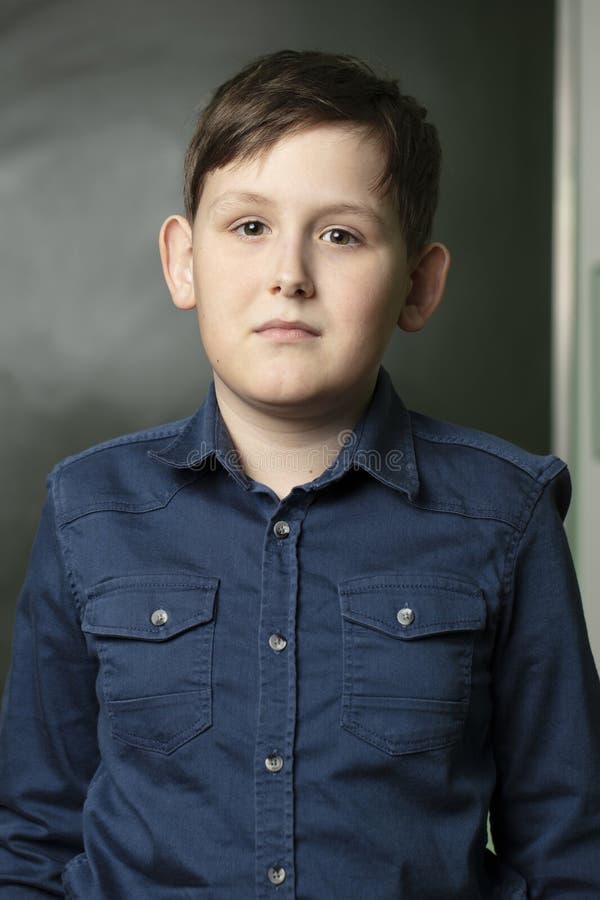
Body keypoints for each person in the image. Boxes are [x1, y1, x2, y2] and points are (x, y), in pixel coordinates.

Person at [1, 48, 599, 899]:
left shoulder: (507, 512)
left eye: (341, 234)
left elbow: (572, 848)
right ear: (183, 262)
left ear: (419, 287)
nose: (289, 274)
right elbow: (31, 837)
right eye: (249, 227)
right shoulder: (87, 509)